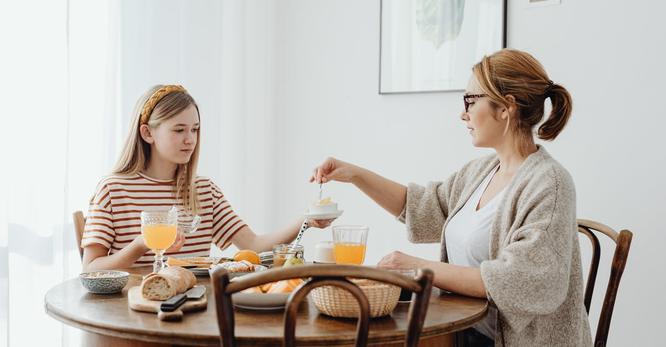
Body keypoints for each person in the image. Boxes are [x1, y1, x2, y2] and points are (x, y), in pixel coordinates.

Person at [310, 49, 592, 346]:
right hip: (466, 331)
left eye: (470, 100)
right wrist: (354, 174)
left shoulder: (549, 183)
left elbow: (524, 281)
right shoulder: (481, 171)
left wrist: (419, 267)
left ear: (506, 108)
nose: (463, 113)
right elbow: (422, 208)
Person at [82, 85, 331, 271]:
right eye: (179, 130)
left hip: (193, 310)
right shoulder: (113, 189)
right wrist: (141, 244)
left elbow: (253, 246)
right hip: (129, 316)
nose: (190, 139)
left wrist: (306, 220)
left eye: (195, 129)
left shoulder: (203, 190)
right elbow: (90, 269)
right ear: (148, 133)